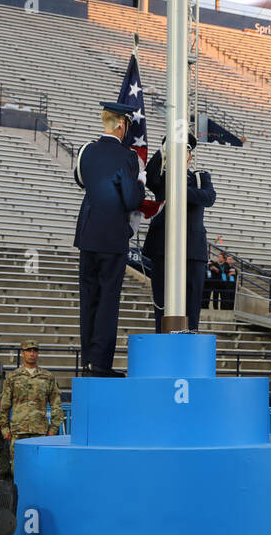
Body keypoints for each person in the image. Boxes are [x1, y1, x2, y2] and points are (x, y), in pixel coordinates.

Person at [74, 100, 144, 376]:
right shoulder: (126, 157)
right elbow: (129, 199)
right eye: (126, 124)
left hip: (87, 232)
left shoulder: (86, 151)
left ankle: (88, 360)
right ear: (120, 124)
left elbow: (81, 180)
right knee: (107, 300)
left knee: (88, 299)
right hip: (112, 236)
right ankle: (101, 362)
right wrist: (139, 186)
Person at [142, 134, 216, 332]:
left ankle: (188, 347)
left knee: (191, 305)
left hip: (193, 249)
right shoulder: (163, 177)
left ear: (190, 156)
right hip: (163, 246)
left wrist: (178, 188)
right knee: (163, 304)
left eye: (185, 151)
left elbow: (208, 197)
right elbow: (149, 176)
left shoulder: (200, 178)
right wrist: (164, 150)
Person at [0, 339, 63, 473]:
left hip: (41, 432)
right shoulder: (13, 377)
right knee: (18, 469)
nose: (32, 354)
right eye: (29, 351)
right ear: (23, 354)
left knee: (40, 468)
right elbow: (4, 404)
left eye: (35, 351)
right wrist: (4, 428)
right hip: (18, 431)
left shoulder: (47, 377)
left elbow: (56, 404)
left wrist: (53, 429)